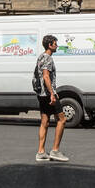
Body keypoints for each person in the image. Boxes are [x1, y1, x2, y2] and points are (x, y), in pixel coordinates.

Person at [34, 34, 69, 162]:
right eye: (55, 43)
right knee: (62, 119)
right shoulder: (48, 58)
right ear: (50, 45)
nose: (57, 45)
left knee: (45, 121)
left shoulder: (40, 57)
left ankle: (41, 152)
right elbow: (46, 76)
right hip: (48, 95)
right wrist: (52, 93)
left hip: (41, 94)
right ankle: (55, 150)